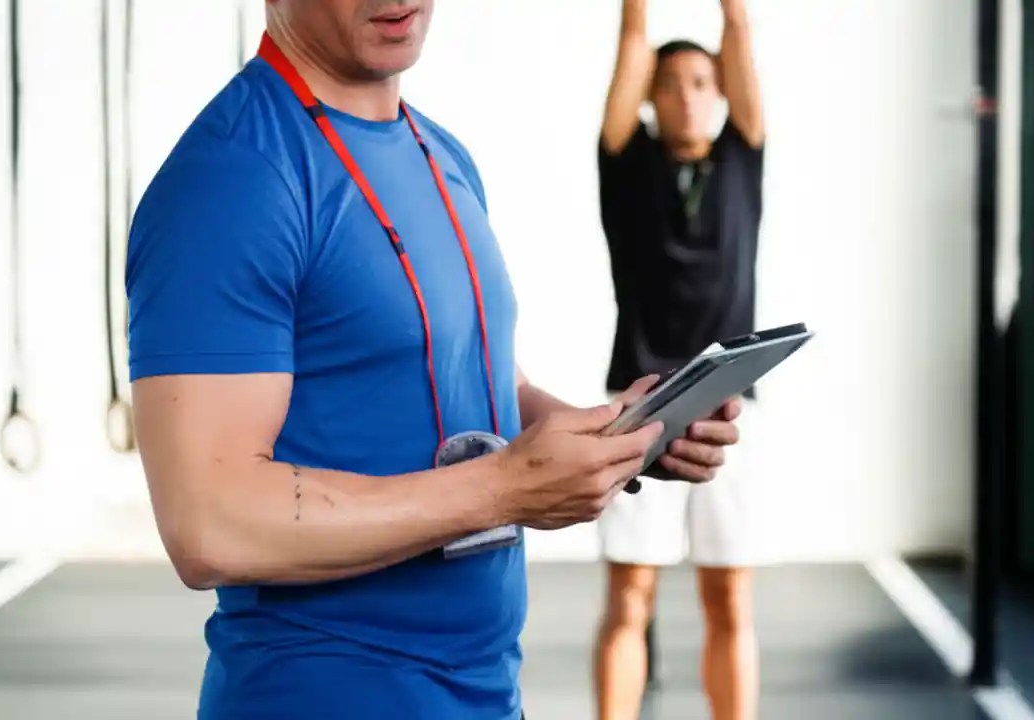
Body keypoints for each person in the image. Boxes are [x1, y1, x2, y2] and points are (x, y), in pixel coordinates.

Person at [126, 1, 743, 717]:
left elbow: (483, 387)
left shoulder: (441, 154)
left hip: (482, 693)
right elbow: (210, 523)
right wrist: (504, 490)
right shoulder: (230, 181)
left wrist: (622, 433)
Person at [592, 0, 767, 719]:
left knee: (728, 596)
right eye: (669, 84)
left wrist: (732, 21)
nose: (685, 95)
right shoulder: (626, 165)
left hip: (732, 409)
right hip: (642, 404)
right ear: (651, 98)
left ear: (720, 90)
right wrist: (639, 25)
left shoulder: (741, 156)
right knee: (630, 595)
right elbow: (634, 37)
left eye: (701, 81)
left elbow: (740, 32)